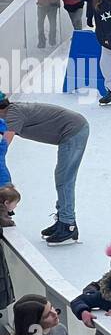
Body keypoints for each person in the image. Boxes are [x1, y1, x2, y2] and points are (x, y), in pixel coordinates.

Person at [0, 94, 89, 246]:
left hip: (73, 130)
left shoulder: (12, 115)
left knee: (64, 179)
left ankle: (68, 226)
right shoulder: (11, 111)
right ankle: (62, 219)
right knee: (62, 178)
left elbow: (3, 148)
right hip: (73, 128)